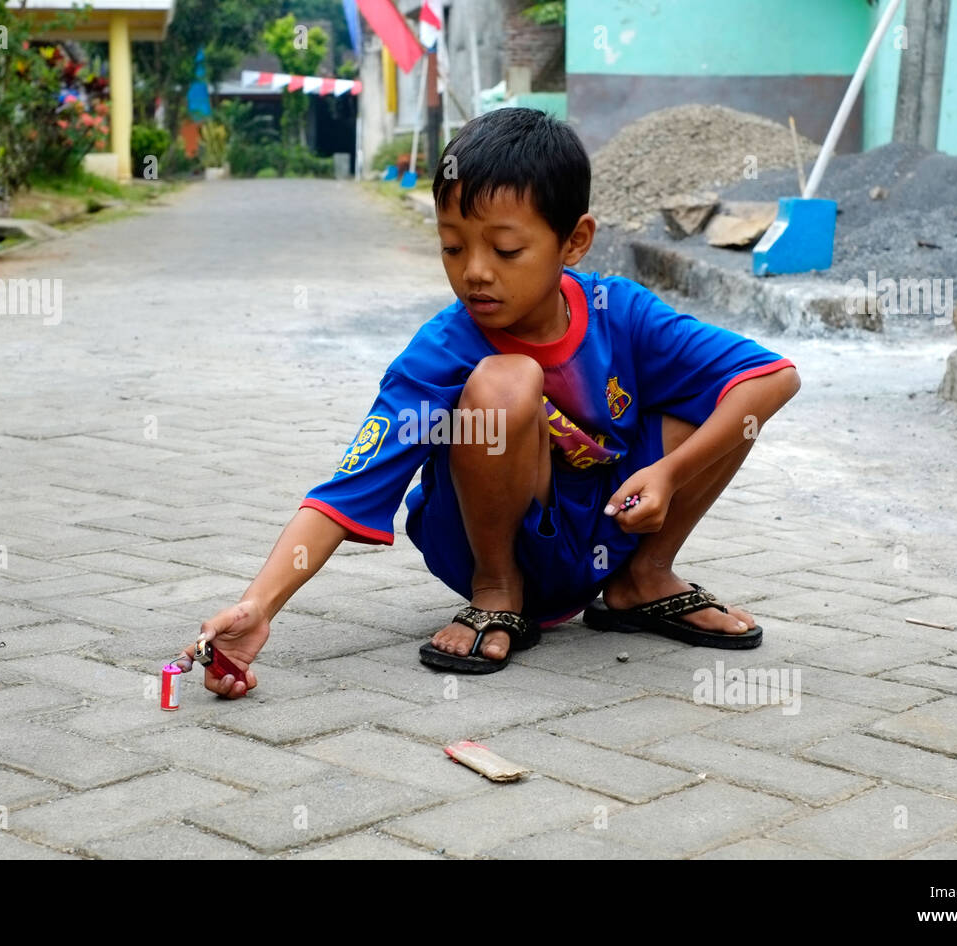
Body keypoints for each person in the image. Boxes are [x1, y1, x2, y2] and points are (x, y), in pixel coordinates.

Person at [176, 107, 800, 695]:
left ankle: (643, 580)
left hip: (609, 533)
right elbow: (348, 488)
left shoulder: (621, 312)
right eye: (453, 247)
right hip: (491, 545)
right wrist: (258, 607)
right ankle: (497, 592)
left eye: (505, 250)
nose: (475, 271)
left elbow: (773, 379)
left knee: (718, 391)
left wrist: (669, 473)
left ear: (575, 241)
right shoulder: (443, 348)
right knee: (506, 381)